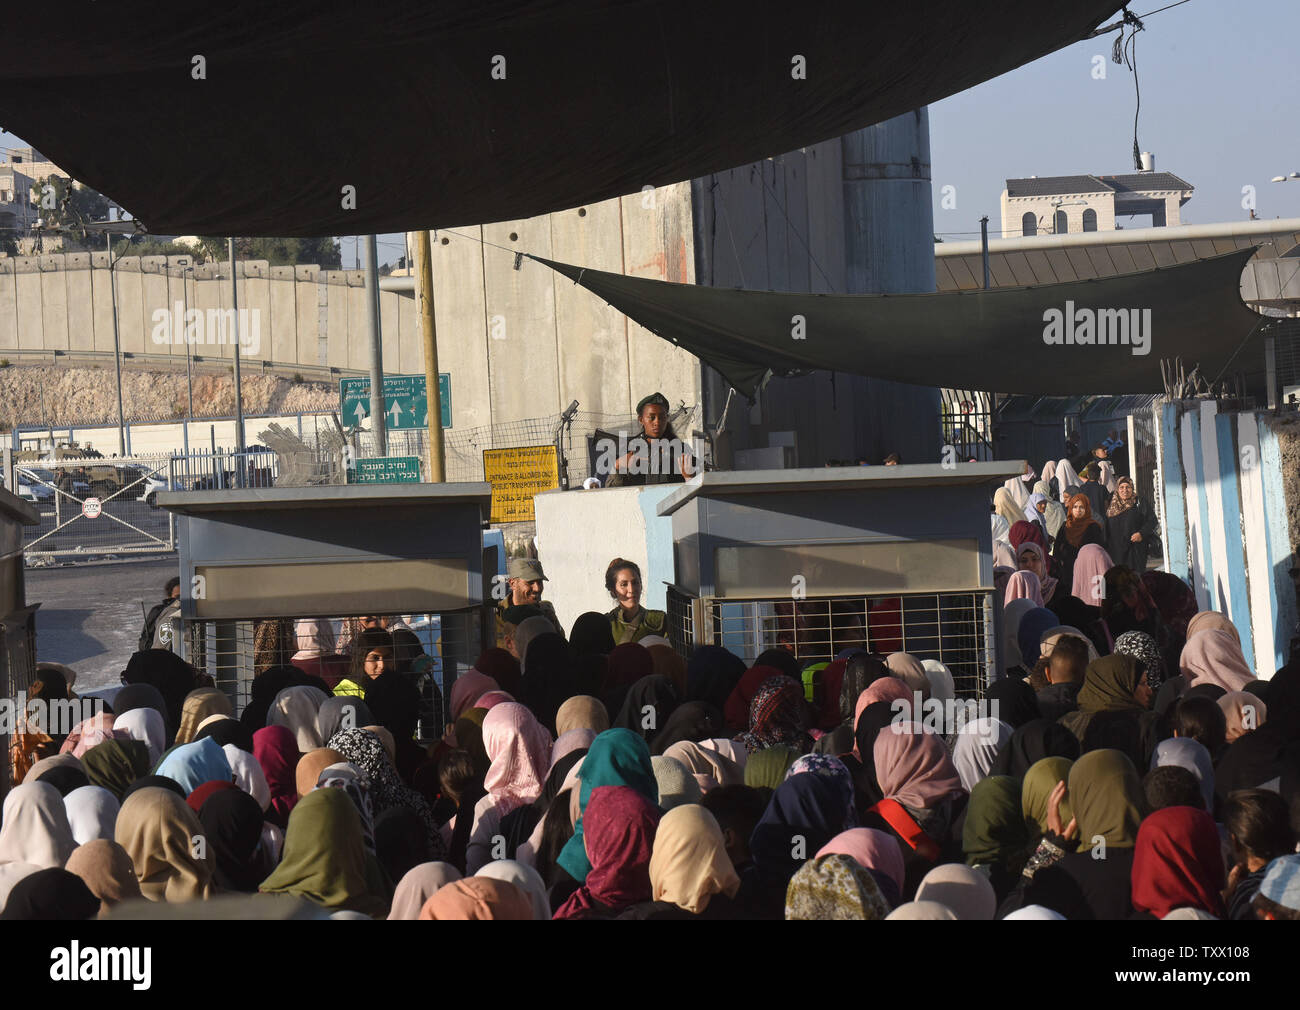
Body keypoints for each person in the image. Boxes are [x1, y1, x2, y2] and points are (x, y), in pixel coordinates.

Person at [603, 392, 695, 486]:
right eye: (651, 417)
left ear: (667, 419)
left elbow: (698, 493)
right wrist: (617, 467)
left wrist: (689, 478)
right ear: (641, 420)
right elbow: (612, 492)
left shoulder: (681, 450)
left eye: (662, 417)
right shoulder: (629, 450)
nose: (657, 422)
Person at [494, 557, 563, 646]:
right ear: (512, 584)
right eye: (530, 583)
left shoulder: (546, 611)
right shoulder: (496, 616)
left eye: (540, 582)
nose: (537, 588)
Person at [604, 557, 667, 645]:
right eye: (624, 584)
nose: (631, 589)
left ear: (641, 586)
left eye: (635, 583)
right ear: (613, 591)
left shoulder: (659, 620)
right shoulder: (606, 624)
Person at [1052, 495, 1104, 595]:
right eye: (1075, 507)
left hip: (1088, 569)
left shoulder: (1093, 527)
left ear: (1087, 509)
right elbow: (1057, 549)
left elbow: (1099, 550)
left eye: (1081, 507)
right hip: (1068, 570)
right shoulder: (1065, 526)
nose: (1078, 510)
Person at [1104, 477, 1156, 572]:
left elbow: (1152, 521)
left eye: (1128, 487)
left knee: (1135, 581)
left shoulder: (1140, 503)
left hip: (1135, 551)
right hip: (1116, 553)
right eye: (1122, 487)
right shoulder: (1111, 505)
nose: (1125, 490)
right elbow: (1106, 530)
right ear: (1117, 489)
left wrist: (1141, 533)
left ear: (1132, 488)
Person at [139, 577, 182, 652]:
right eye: (177, 597)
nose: (180, 600)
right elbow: (145, 639)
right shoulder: (159, 612)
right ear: (169, 596)